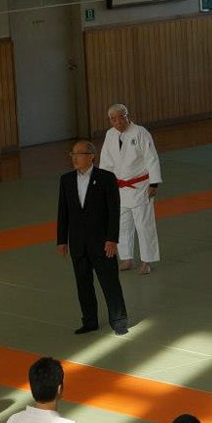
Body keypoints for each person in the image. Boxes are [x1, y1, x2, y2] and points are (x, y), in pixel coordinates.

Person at [56, 139, 129, 337]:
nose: (74, 158)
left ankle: (119, 321)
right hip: (78, 243)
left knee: (110, 282)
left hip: (102, 242)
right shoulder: (66, 180)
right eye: (72, 154)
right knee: (83, 284)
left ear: (91, 157)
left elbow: (114, 211)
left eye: (79, 154)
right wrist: (61, 240)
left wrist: (112, 239)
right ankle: (89, 321)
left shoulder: (106, 178)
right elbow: (63, 211)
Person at [99, 102, 163, 273]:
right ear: (110, 121)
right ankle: (127, 258)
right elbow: (105, 162)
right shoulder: (110, 135)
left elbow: (151, 158)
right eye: (113, 119)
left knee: (144, 224)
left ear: (127, 116)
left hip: (140, 186)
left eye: (121, 117)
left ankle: (147, 261)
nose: (118, 122)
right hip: (119, 187)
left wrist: (154, 183)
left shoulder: (140, 132)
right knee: (122, 224)